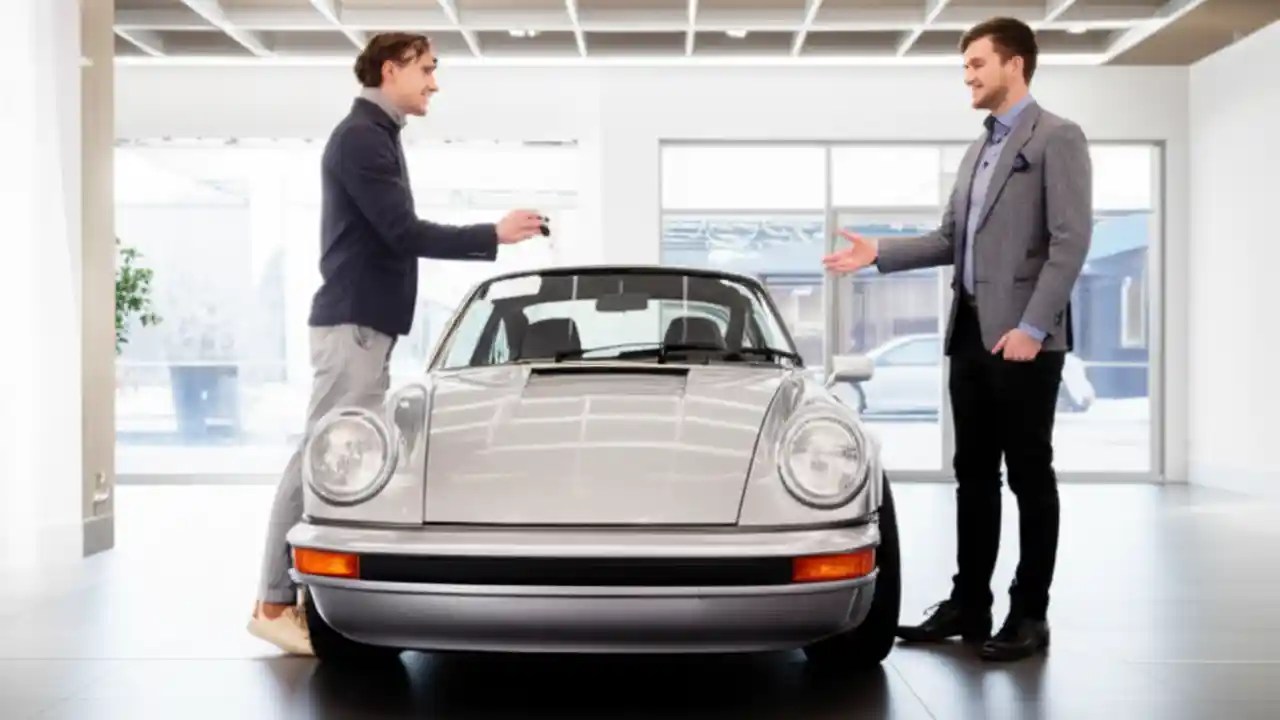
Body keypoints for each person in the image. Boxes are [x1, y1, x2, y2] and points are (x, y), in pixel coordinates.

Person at [246, 32, 547, 655]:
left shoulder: (375, 134)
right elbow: (401, 230)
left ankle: (286, 597)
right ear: (392, 69)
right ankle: (274, 601)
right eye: (428, 70)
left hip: (365, 323)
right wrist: (493, 233)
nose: (435, 82)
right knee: (321, 457)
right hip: (352, 323)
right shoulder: (360, 136)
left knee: (331, 456)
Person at [823, 17, 1091, 662]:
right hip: (969, 330)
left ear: (1015, 65)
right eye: (965, 66)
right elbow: (951, 240)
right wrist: (880, 252)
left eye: (976, 64)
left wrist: (1032, 328)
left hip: (1025, 340)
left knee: (1030, 474)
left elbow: (1070, 241)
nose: (967, 76)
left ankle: (1030, 614)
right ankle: (970, 602)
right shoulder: (979, 149)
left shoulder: (1057, 136)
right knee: (973, 473)